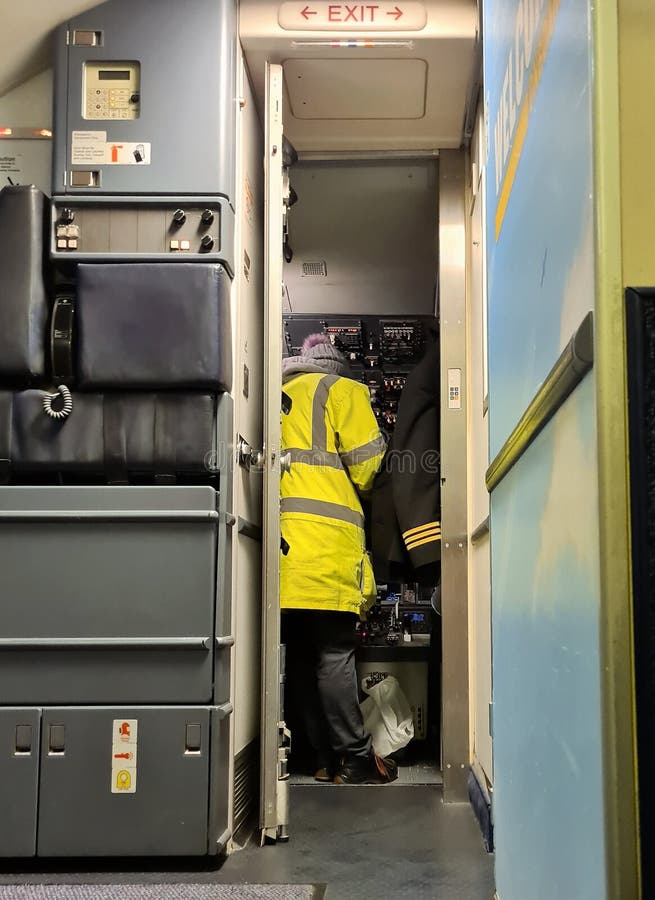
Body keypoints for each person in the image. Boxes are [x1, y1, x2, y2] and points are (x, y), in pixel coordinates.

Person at [280, 334, 398, 784]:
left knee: (298, 657)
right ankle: (355, 756)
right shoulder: (341, 391)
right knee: (334, 655)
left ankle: (319, 758)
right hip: (326, 547)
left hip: (283, 552)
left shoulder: (278, 395)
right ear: (340, 368)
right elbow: (370, 467)